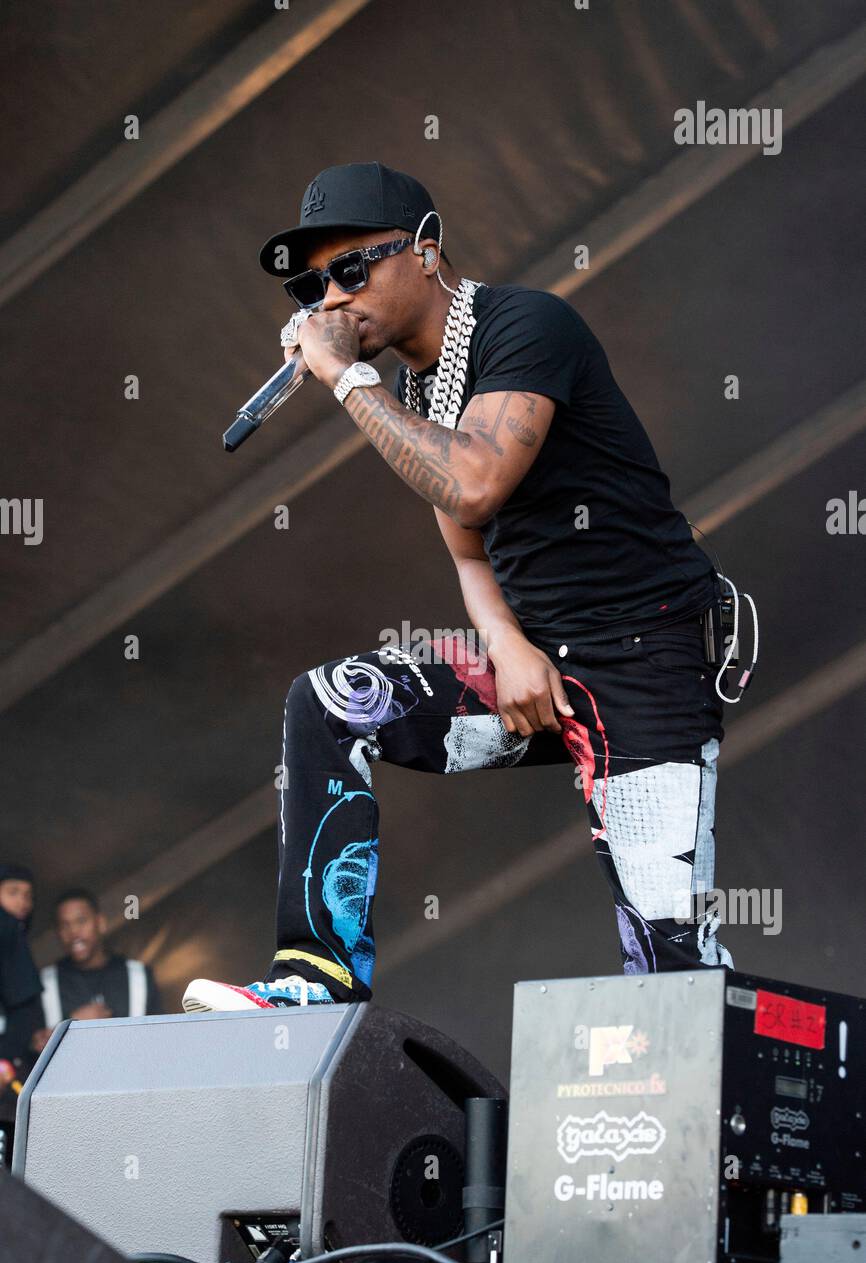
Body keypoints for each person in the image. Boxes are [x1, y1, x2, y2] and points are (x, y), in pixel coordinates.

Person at [184, 161, 732, 1016]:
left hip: (644, 659)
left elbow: (475, 481)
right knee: (333, 701)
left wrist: (344, 378)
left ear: (428, 253)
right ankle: (318, 979)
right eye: (310, 283)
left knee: (671, 968)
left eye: (351, 270)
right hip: (539, 663)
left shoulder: (527, 325)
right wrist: (509, 648)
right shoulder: (412, 384)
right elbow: (471, 551)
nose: (329, 299)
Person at [34, 889, 162, 1042]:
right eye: (64, 925)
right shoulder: (44, 982)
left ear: (100, 923)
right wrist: (72, 1022)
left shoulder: (138, 975)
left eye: (81, 921)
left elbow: (161, 1037)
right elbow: (30, 1046)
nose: (74, 932)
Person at [0, 863, 44, 1094]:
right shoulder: (6, 928)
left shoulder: (15, 932)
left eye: (28, 895)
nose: (23, 902)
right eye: (13, 892)